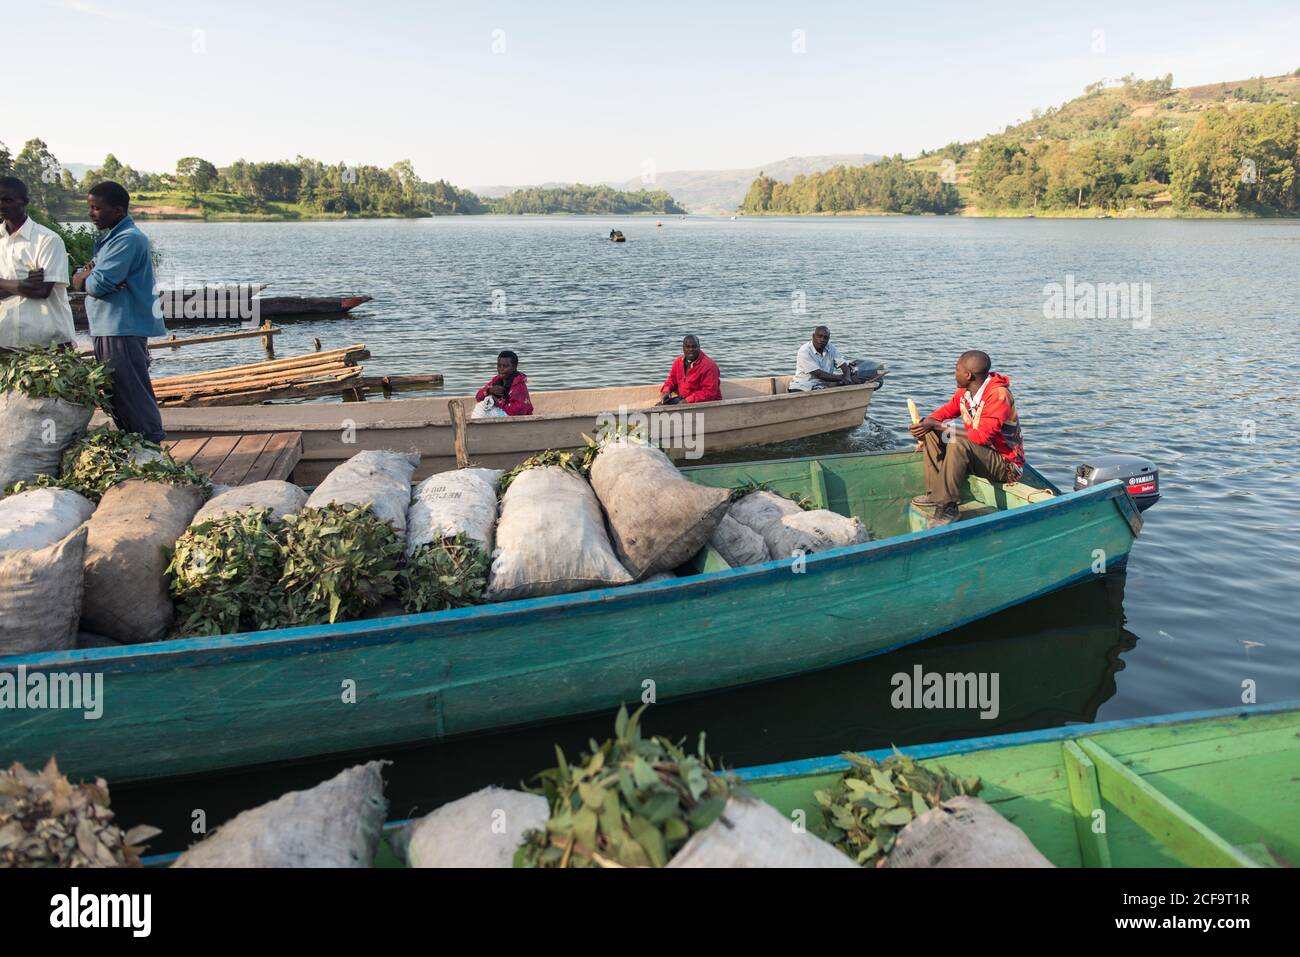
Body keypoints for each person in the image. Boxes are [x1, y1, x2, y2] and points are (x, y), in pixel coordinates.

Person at [71, 182, 166, 442]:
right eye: (90, 207)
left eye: (97, 208)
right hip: (108, 326)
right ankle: (136, 444)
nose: (91, 213)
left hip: (122, 327)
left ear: (118, 210)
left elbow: (97, 284)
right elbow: (85, 277)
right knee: (116, 392)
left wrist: (88, 277)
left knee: (132, 391)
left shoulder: (127, 240)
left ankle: (151, 443)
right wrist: (86, 275)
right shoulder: (110, 239)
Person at [908, 350, 1025, 528]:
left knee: (957, 440)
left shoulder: (998, 396)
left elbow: (981, 436)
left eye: (957, 370)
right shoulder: (966, 392)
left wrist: (938, 425)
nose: (954, 374)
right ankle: (934, 494)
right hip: (979, 455)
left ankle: (948, 508)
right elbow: (946, 411)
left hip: (1005, 466)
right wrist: (925, 424)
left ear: (968, 375)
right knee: (932, 429)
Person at [0, 176, 76, 351]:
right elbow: (31, 287)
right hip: (5, 342)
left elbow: (41, 290)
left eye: (8, 200)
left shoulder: (47, 240)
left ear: (25, 201)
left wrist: (5, 284)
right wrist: (22, 284)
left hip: (49, 344)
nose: (2, 205)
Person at [658, 334, 721, 405]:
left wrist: (687, 400)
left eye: (694, 347)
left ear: (699, 347)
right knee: (660, 406)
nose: (691, 349)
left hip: (708, 403)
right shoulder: (678, 362)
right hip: (685, 398)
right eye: (687, 347)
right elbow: (672, 379)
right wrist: (666, 390)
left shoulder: (709, 366)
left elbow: (709, 393)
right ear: (683, 348)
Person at [789, 326, 851, 391]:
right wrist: (843, 377)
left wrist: (847, 376)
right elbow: (820, 374)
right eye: (819, 336)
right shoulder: (804, 351)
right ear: (813, 336)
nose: (822, 339)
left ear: (828, 339)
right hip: (802, 386)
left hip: (821, 386)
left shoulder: (830, 347)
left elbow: (843, 365)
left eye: (825, 338)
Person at [475, 350, 533, 415]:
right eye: (499, 365)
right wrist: (489, 390)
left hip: (517, 421)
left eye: (505, 366)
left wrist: (497, 401)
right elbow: (478, 397)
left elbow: (518, 411)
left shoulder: (518, 385)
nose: (501, 369)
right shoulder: (496, 380)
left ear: (514, 367)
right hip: (502, 413)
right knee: (481, 405)